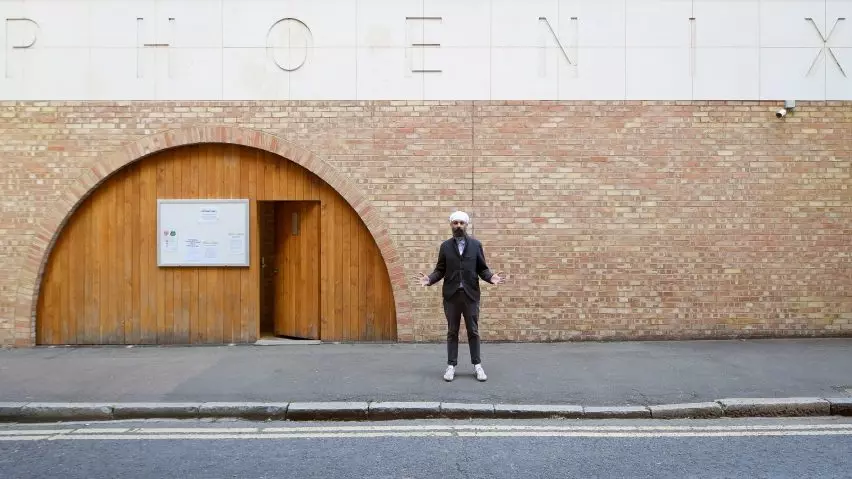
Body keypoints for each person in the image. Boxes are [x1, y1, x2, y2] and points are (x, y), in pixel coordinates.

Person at [416, 211, 505, 382]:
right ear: (451, 225)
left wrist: (490, 277)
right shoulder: (445, 247)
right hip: (451, 296)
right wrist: (429, 279)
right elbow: (440, 270)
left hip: (471, 295)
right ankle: (451, 366)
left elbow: (482, 268)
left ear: (466, 225)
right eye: (455, 223)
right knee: (452, 331)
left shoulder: (476, 245)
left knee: (473, 331)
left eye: (461, 223)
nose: (458, 226)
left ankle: (477, 365)